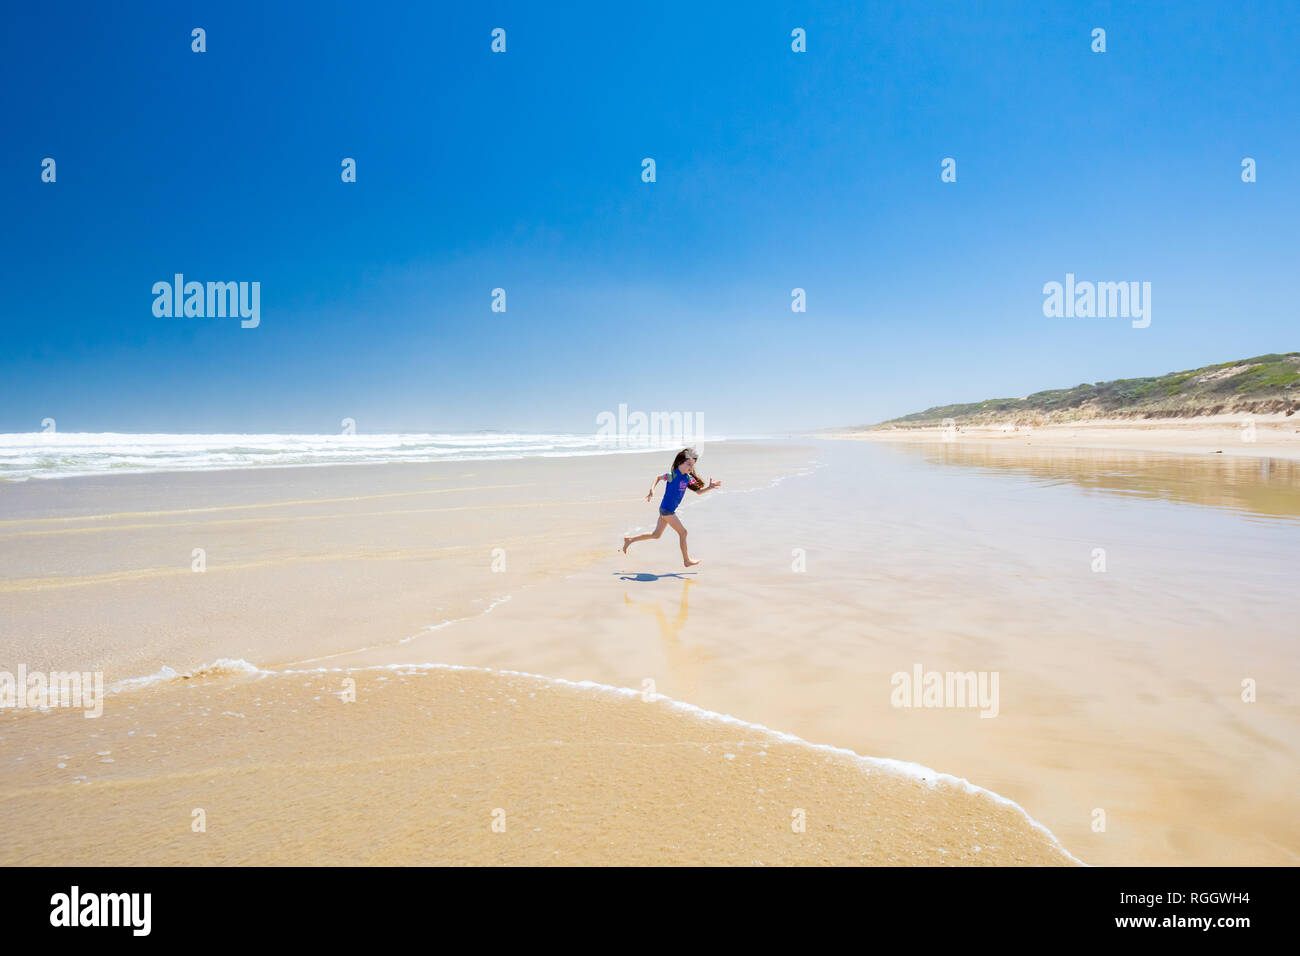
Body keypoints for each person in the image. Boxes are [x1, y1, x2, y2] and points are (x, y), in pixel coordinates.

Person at [621, 447, 721, 567]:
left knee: (656, 535)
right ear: (680, 462)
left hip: (666, 509)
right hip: (667, 511)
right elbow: (658, 477)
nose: (691, 467)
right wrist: (652, 489)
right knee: (683, 533)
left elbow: (698, 492)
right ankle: (686, 560)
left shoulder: (688, 478)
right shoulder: (673, 475)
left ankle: (630, 540)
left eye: (692, 465)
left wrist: (709, 487)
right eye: (688, 464)